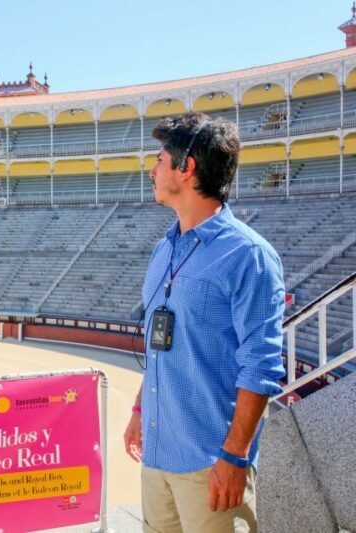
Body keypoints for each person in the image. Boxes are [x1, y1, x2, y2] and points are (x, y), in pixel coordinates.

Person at [123, 111, 285, 532]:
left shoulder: (248, 255)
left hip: (210, 463)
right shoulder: (164, 250)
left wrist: (234, 458)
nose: (152, 169)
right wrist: (140, 409)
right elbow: (161, 345)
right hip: (157, 457)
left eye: (160, 159)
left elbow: (262, 367)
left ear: (187, 167)